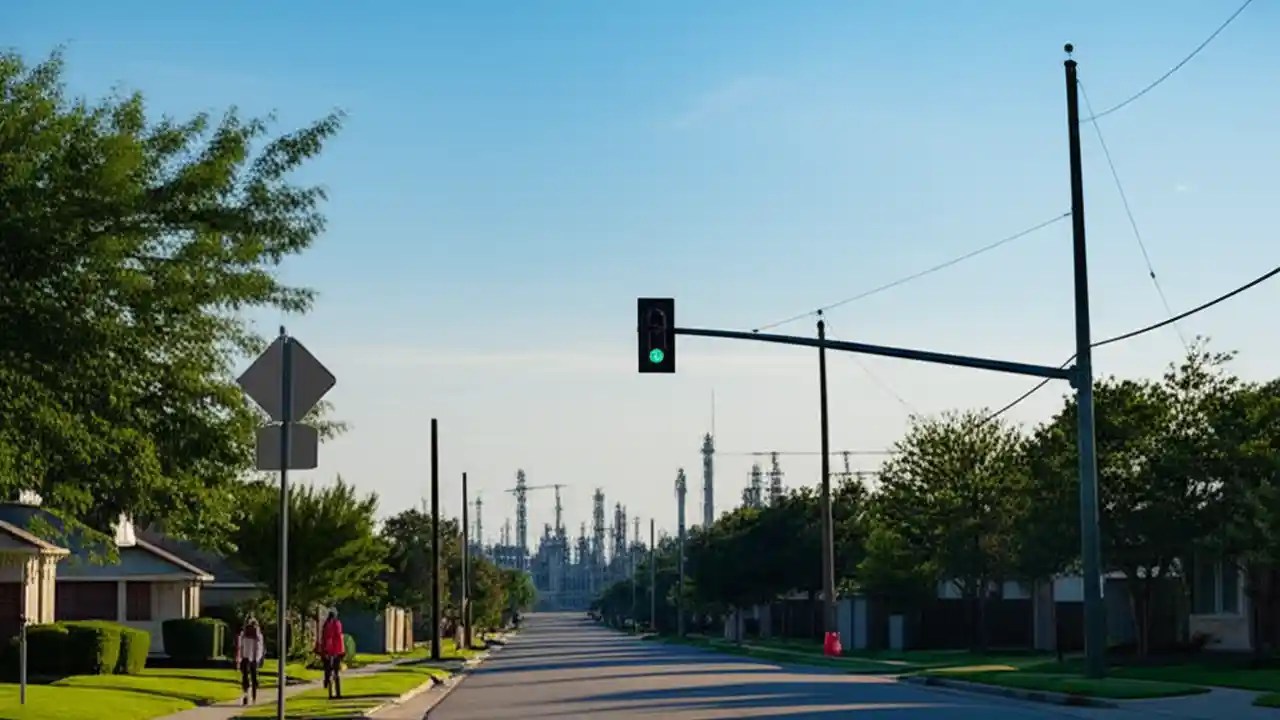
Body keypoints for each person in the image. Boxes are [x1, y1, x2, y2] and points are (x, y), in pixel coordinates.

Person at [234, 617, 265, 706]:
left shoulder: (253, 635)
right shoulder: (246, 634)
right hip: (249, 658)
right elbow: (240, 647)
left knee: (248, 678)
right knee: (249, 678)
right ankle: (249, 696)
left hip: (249, 658)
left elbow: (241, 647)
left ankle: (249, 695)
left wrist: (239, 659)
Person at [318, 610, 345, 700]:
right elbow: (338, 637)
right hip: (335, 651)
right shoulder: (337, 624)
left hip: (328, 652)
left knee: (329, 672)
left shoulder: (326, 625)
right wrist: (341, 652)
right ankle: (337, 693)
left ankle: (331, 692)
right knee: (335, 673)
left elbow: (325, 639)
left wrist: (325, 651)